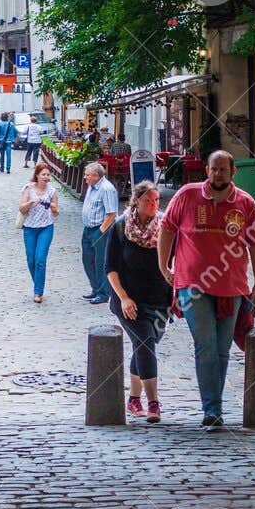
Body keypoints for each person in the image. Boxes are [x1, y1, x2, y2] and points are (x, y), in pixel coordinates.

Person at [158, 151, 255, 430]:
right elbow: (167, 228)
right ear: (207, 170)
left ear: (233, 171)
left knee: (222, 349)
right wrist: (163, 265)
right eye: (214, 169)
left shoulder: (245, 203)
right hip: (192, 285)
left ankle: (214, 407)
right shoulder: (187, 195)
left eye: (223, 169)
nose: (218, 174)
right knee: (205, 344)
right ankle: (213, 410)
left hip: (232, 286)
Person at [106, 180, 170, 422]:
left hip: (160, 300)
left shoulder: (165, 226)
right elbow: (110, 268)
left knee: (144, 346)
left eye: (156, 201)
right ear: (136, 201)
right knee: (145, 343)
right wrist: (123, 298)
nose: (153, 205)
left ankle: (133, 399)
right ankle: (153, 403)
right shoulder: (122, 228)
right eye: (148, 201)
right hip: (129, 302)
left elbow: (176, 259)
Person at [18, 162, 60, 303]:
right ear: (37, 175)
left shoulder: (52, 191)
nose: (46, 177)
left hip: (46, 227)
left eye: (48, 174)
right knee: (31, 259)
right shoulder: (28, 189)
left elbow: (56, 212)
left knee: (40, 259)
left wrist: (53, 208)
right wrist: (31, 202)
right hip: (30, 227)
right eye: (43, 174)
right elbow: (22, 208)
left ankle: (38, 292)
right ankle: (38, 282)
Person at [79, 161, 119, 304]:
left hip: (101, 229)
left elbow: (112, 213)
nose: (85, 177)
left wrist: (101, 231)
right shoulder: (92, 186)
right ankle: (95, 288)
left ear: (96, 176)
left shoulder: (106, 189)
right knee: (87, 259)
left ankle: (103, 293)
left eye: (87, 175)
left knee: (101, 261)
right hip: (88, 228)